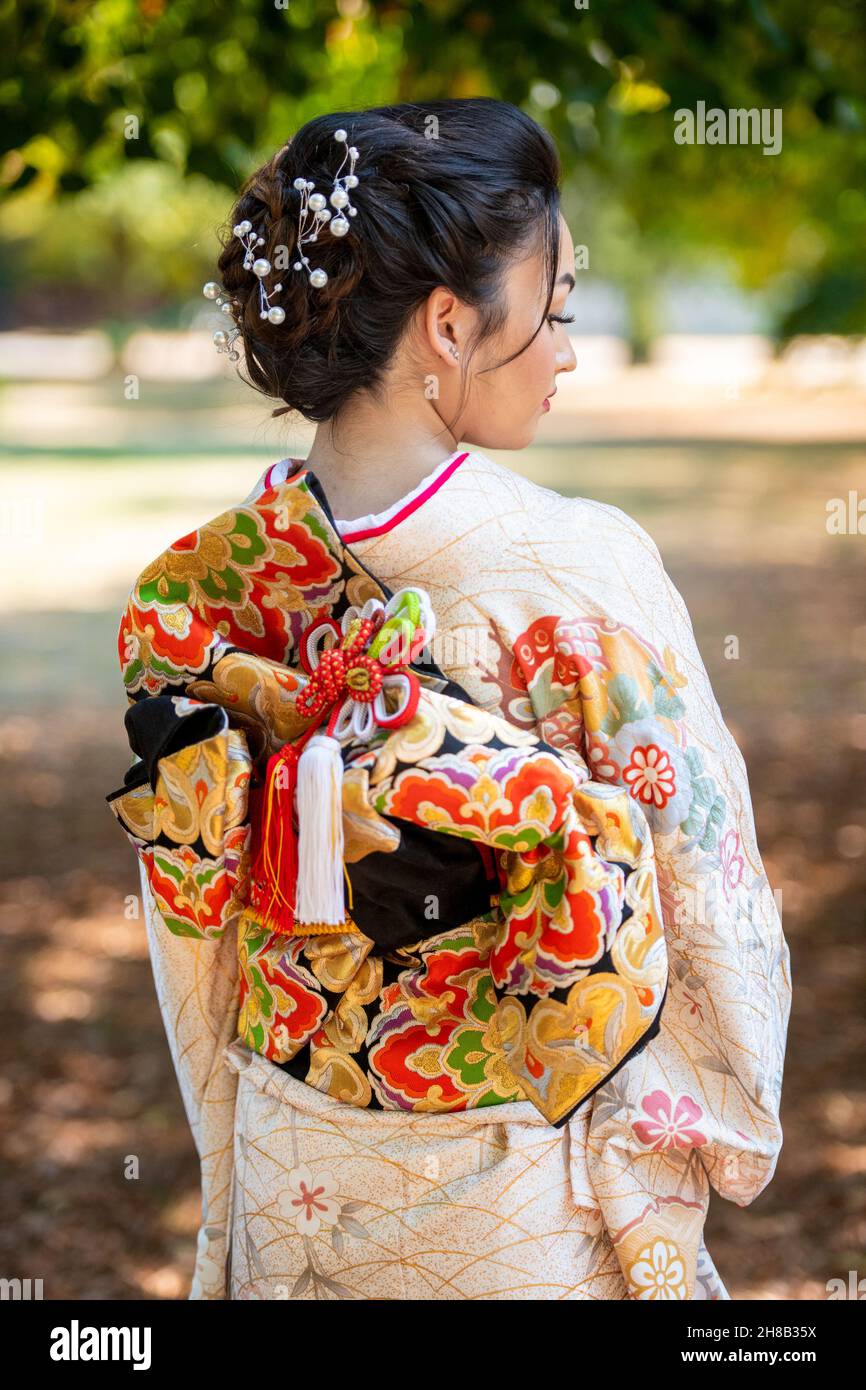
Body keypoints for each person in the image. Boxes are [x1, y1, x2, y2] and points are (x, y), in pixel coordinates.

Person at [108, 98, 791, 1301]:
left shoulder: (202, 594)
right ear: (446, 324)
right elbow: (703, 884)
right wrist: (684, 1123)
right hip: (516, 1177)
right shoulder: (576, 574)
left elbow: (194, 929)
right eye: (556, 309)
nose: (568, 350)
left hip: (291, 1157)